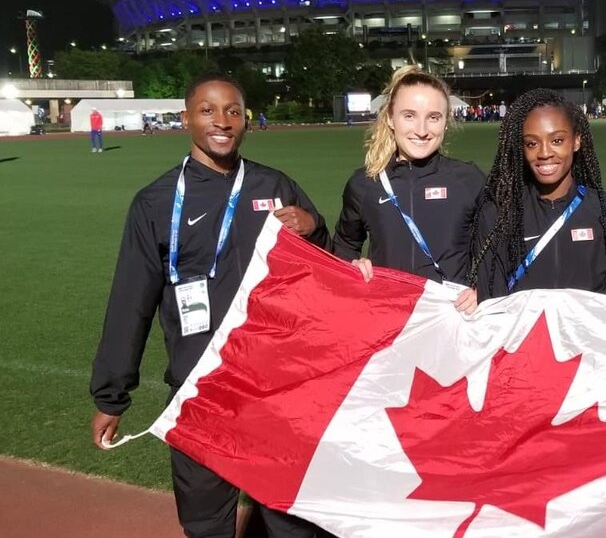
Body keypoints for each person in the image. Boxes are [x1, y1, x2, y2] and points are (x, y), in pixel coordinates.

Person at [89, 73, 333, 538]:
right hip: (200, 391)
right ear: (186, 119)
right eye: (208, 111)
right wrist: (111, 395)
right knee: (206, 526)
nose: (222, 121)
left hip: (274, 391)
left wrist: (314, 226)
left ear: (247, 121)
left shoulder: (275, 184)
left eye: (233, 111)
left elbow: (324, 274)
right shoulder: (155, 202)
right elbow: (130, 303)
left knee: (291, 525)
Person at [333, 65, 485, 313]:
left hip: (453, 320)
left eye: (433, 117)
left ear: (446, 122)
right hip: (389, 320)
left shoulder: (468, 179)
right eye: (409, 116)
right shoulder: (365, 184)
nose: (422, 131)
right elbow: (344, 245)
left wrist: (484, 289)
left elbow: (499, 247)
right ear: (390, 118)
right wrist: (352, 264)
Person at [468, 88, 606, 300]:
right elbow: (492, 302)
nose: (544, 153)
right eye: (532, 143)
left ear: (576, 141)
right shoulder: (498, 216)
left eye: (557, 141)